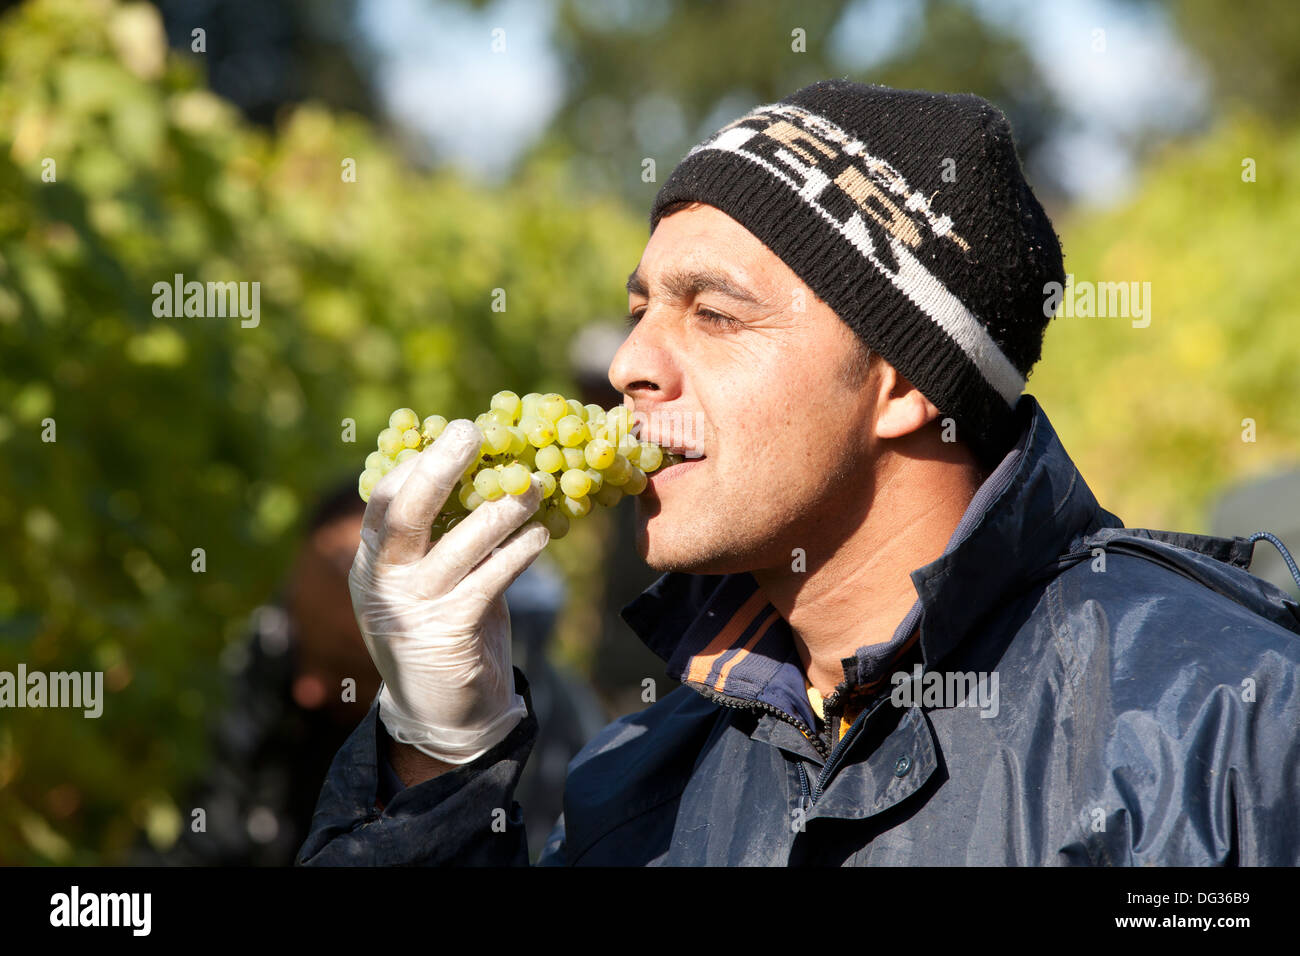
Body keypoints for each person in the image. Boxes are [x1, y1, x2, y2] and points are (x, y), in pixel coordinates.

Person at [297, 79, 1300, 866]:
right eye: (640, 305)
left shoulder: (1225, 717)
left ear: (902, 384)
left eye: (713, 311)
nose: (628, 363)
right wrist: (438, 759)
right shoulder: (639, 776)